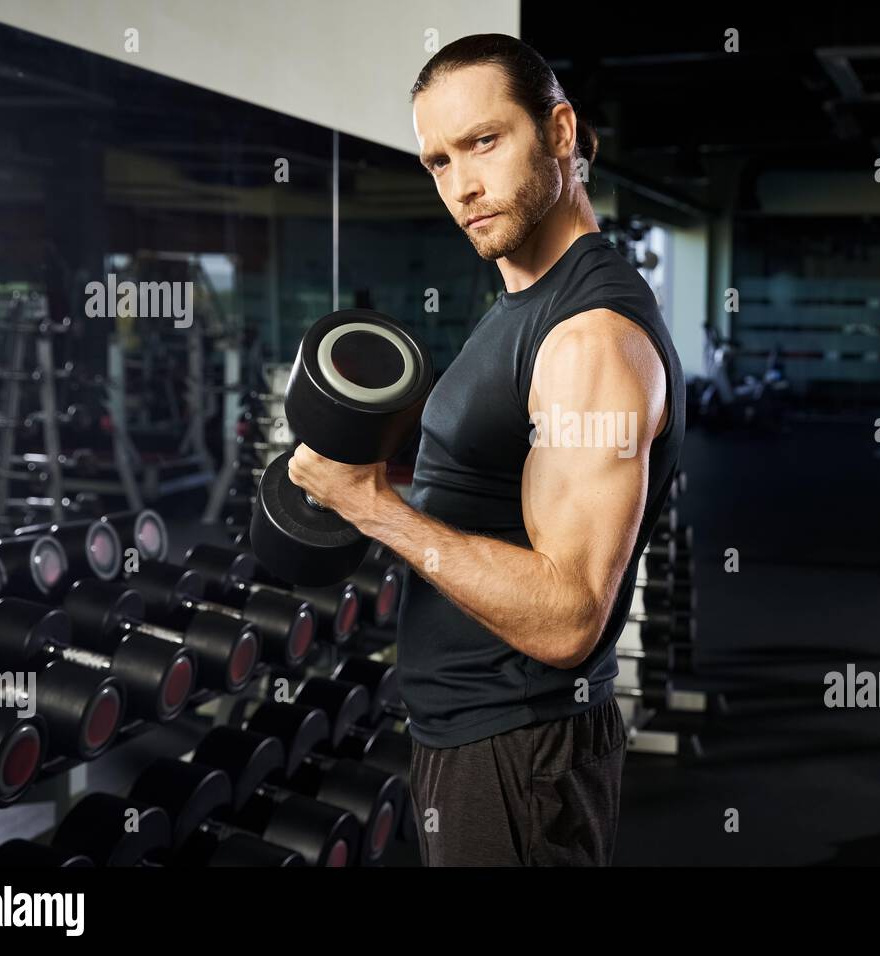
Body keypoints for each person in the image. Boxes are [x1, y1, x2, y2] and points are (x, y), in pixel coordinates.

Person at [287, 33, 685, 865]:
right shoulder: (524, 302)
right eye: (437, 161)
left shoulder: (589, 340)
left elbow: (572, 613)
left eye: (484, 141)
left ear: (562, 133)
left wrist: (371, 505)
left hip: (519, 750)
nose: (461, 185)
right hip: (481, 739)